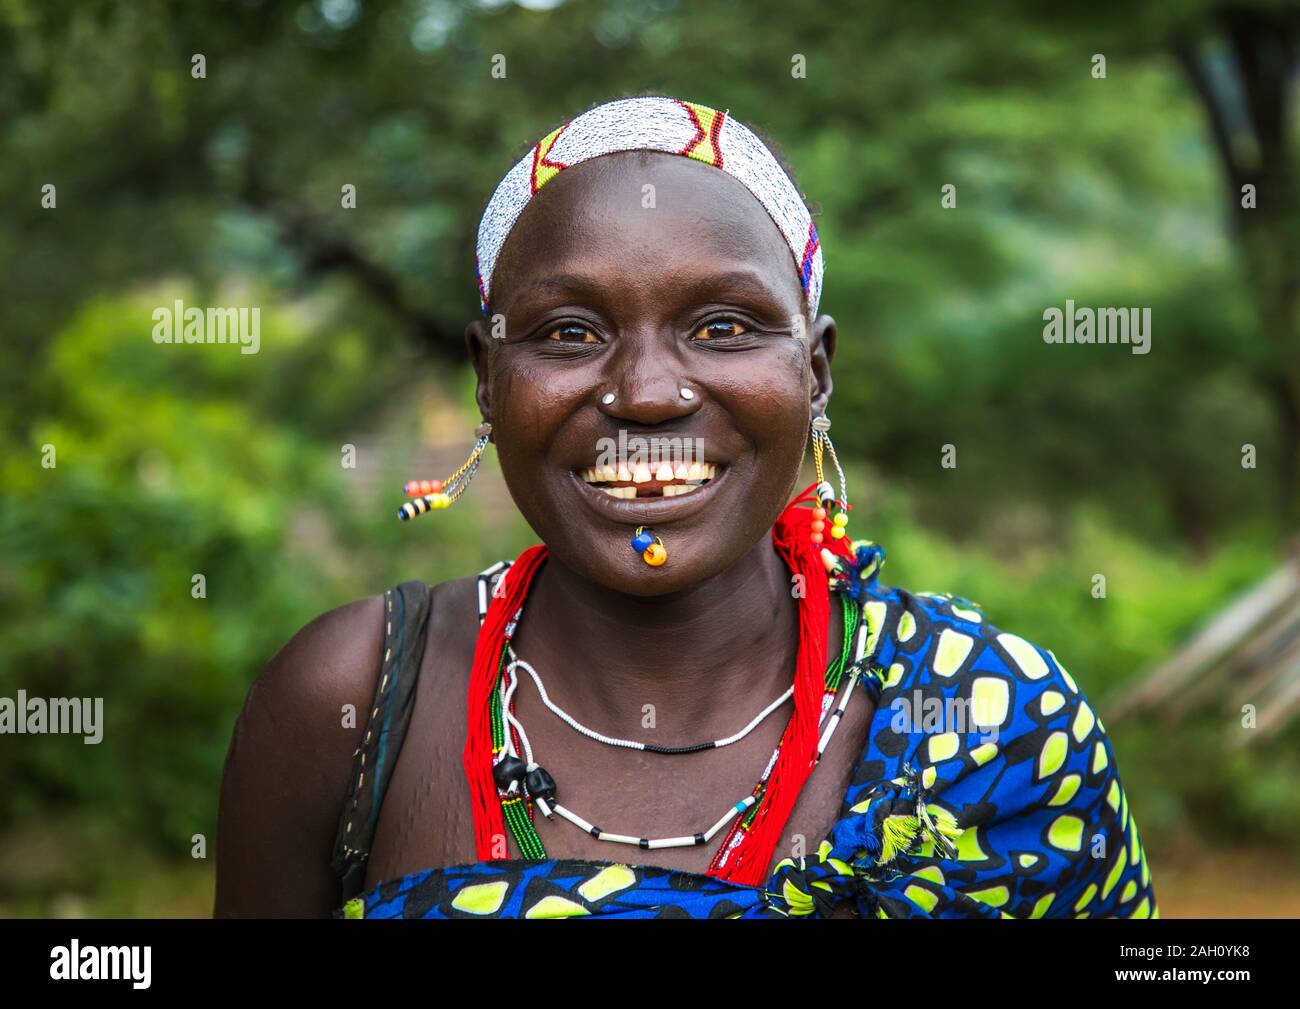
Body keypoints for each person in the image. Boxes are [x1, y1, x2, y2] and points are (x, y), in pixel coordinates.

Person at [214, 96, 1157, 919]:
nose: (649, 392)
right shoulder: (351, 698)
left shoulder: (998, 725)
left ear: (816, 370)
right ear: (488, 379)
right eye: (569, 332)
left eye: (723, 327)